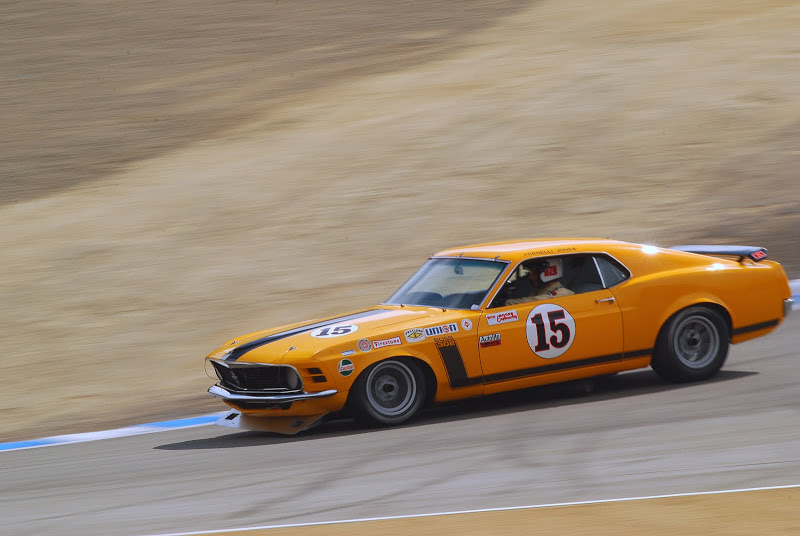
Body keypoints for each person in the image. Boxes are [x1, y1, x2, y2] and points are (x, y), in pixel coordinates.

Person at [505, 257, 573, 305]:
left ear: (549, 272)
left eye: (534, 272)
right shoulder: (540, 292)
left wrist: (506, 303)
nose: (530, 277)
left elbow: (535, 301)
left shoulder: (563, 294)